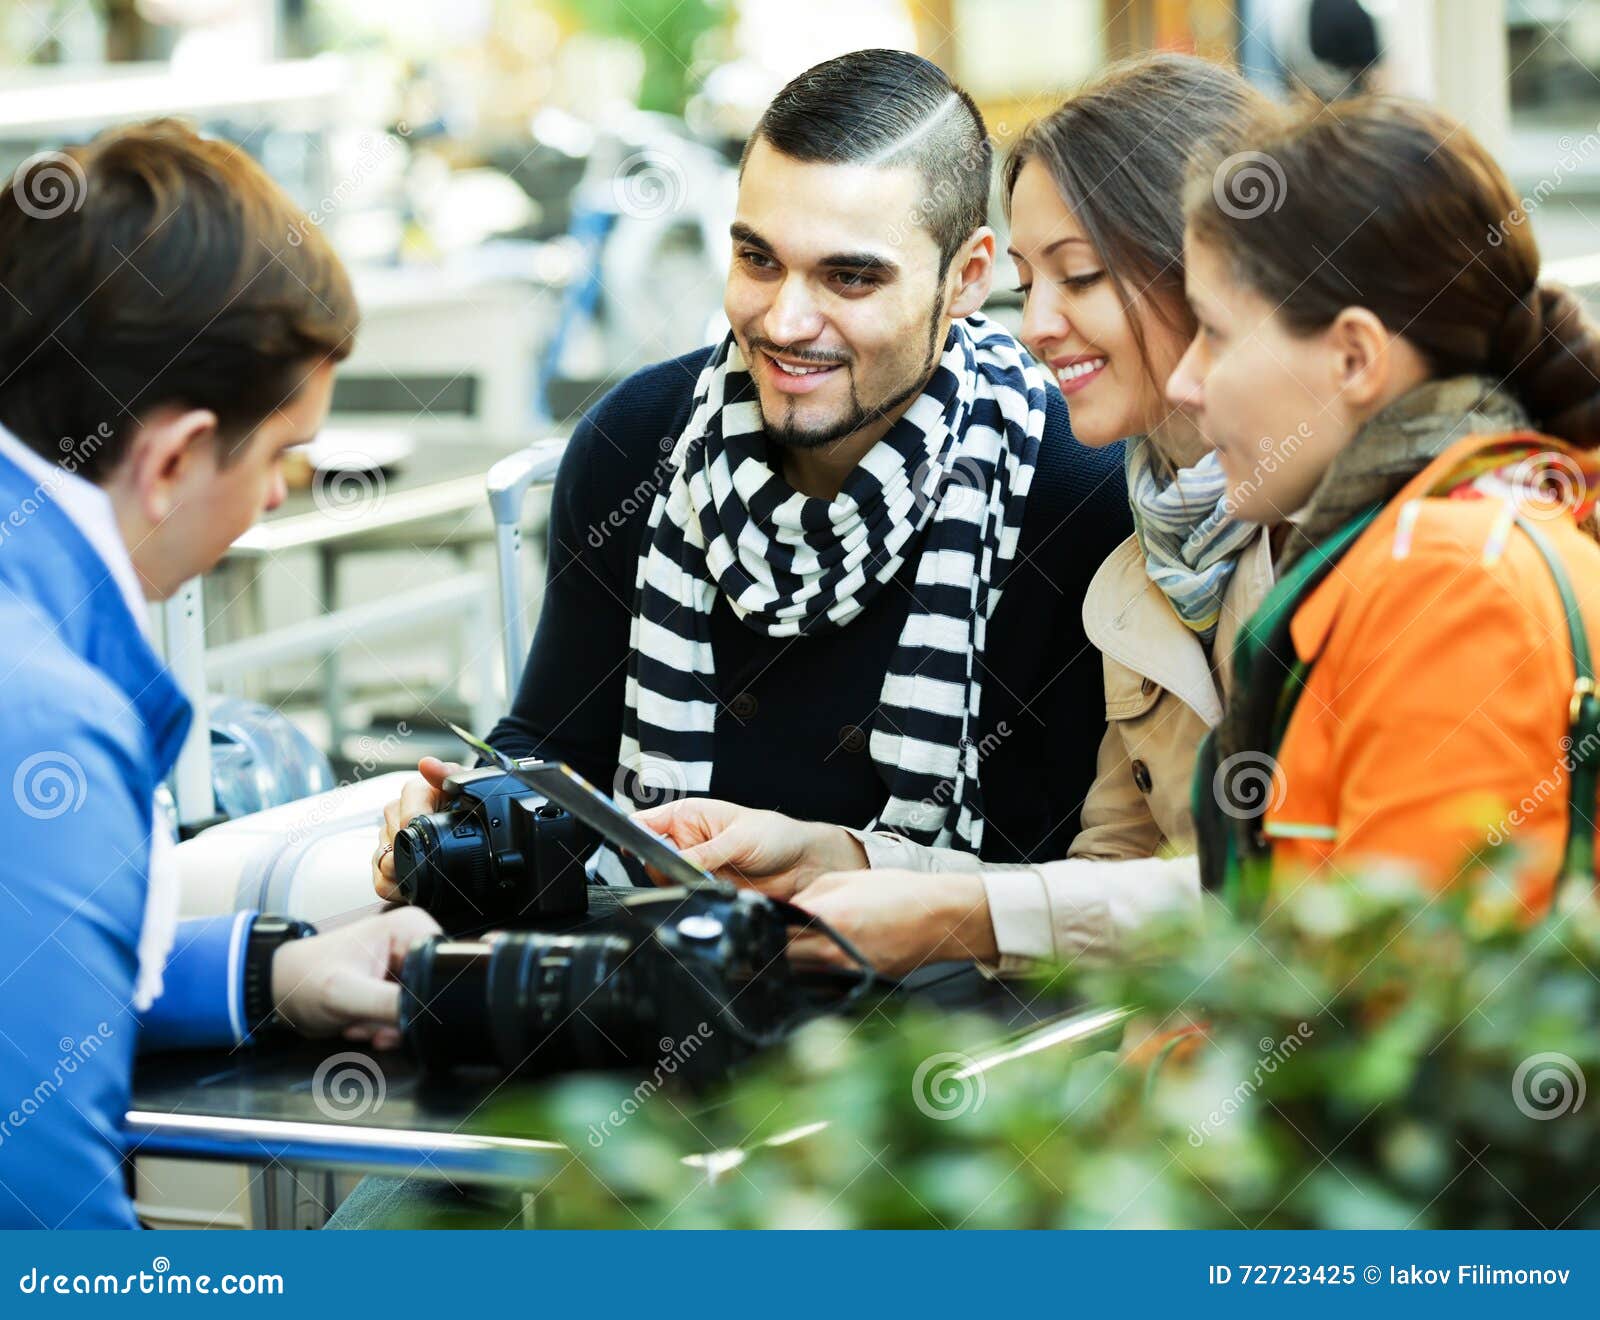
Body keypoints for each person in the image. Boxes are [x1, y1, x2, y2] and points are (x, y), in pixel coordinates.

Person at [371, 49, 1129, 899]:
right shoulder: (633, 441)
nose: (785, 320)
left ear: (967, 279)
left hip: (945, 1008)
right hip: (669, 968)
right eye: (759, 260)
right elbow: (557, 745)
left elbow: (1063, 866)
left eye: (850, 276)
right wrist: (473, 811)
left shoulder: (1073, 486)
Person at [639, 55, 1272, 974]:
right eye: (755, 257)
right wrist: (837, 857)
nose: (1040, 323)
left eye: (1082, 276)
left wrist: (960, 914)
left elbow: (1314, 882)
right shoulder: (1156, 543)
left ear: (1217, 277)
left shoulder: (1332, 534)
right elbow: (1115, 869)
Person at [0, 121, 440, 1229]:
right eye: (279, 455)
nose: (282, 497)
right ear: (175, 458)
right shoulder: (46, 721)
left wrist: (267, 975)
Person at [1173, 95, 1600, 913]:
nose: (1182, 382)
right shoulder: (1440, 543)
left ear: (1354, 357)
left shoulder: (1448, 583)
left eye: (1213, 331)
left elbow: (1403, 1009)